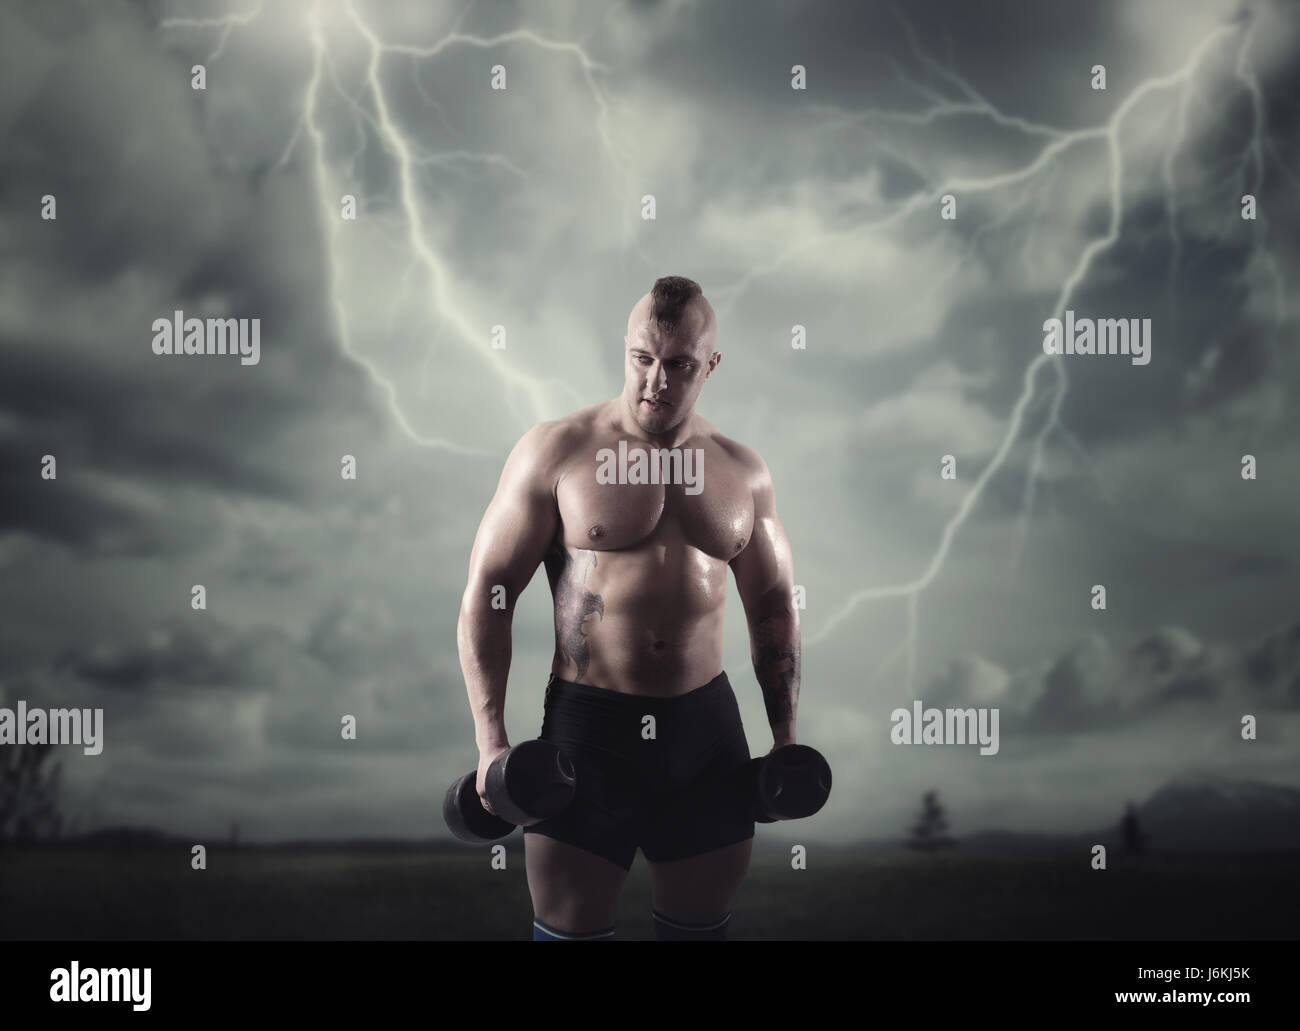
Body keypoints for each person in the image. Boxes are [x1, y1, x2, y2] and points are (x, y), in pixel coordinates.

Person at [457, 275, 801, 941]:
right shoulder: (558, 451)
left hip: (705, 734)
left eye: (678, 366)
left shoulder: (742, 471)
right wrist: (491, 741)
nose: (656, 382)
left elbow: (773, 603)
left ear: (711, 365)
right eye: (642, 359)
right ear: (626, 350)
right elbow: (488, 595)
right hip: (591, 732)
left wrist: (784, 739)